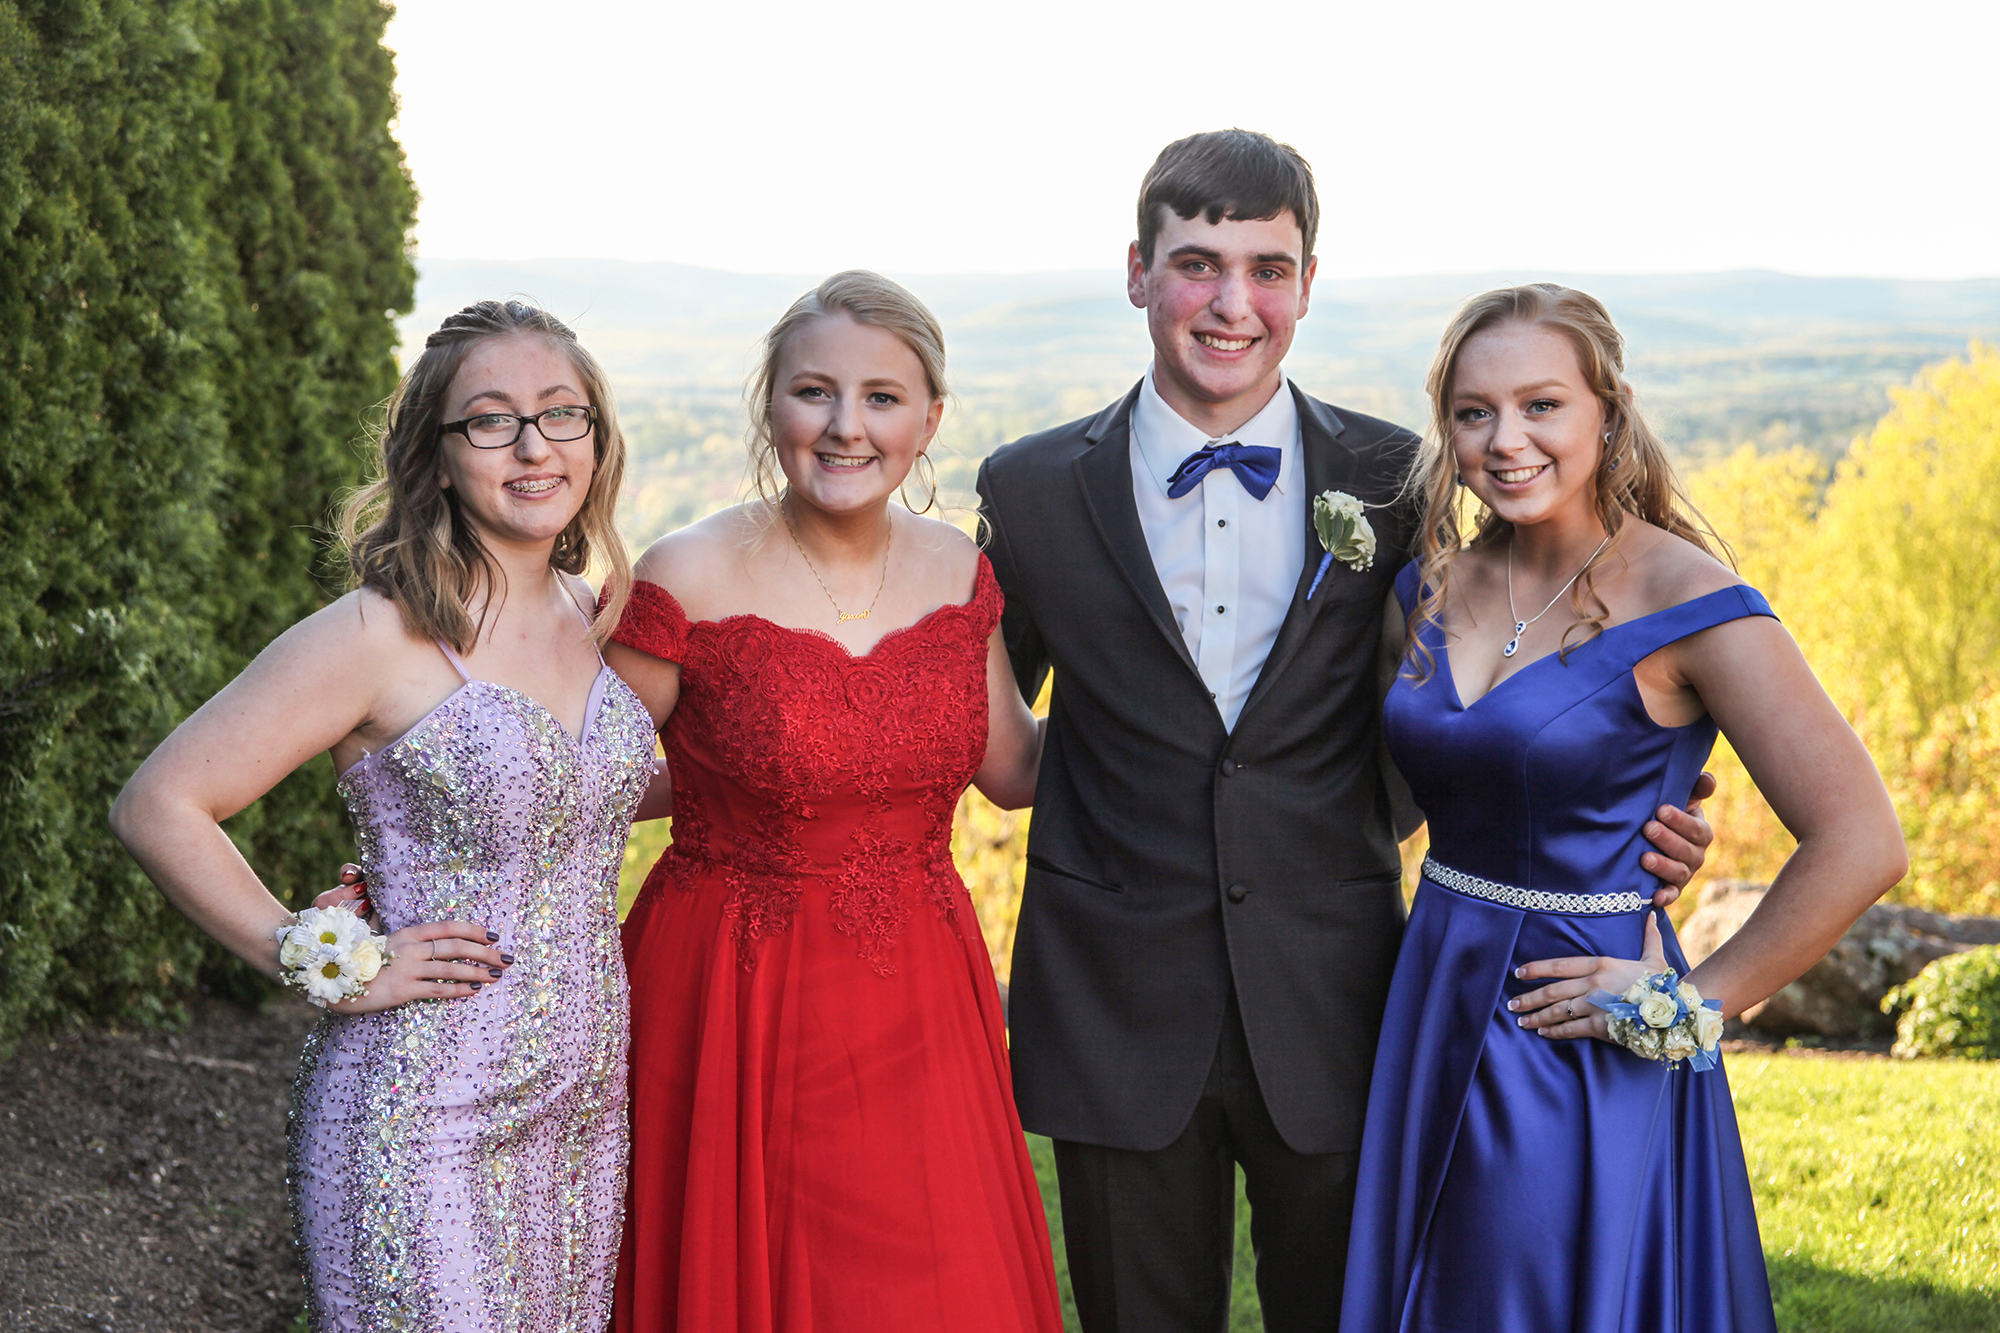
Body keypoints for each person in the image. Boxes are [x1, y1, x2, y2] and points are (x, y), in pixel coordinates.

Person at [974, 131, 1715, 1332]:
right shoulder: (1031, 487)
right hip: (1114, 1006)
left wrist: (1646, 812)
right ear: (1136, 271)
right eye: (1197, 263)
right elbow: (976, 729)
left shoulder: (1399, 476)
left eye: (1266, 268)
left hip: (1347, 1005)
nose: (1231, 302)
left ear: (1307, 284)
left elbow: (1534, 661)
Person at [1339, 283, 1908, 1332]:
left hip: (1574, 1018)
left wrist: (1690, 1001)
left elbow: (1861, 838)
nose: (1505, 440)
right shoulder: (1426, 585)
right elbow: (1411, 804)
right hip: (1432, 989)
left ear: (1608, 409)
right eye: (1473, 413)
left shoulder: (1691, 603)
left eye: (1540, 405)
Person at [111, 300, 655, 1332]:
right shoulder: (376, 633)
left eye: (560, 413)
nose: (533, 445)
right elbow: (159, 803)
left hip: (581, 1113)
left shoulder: (598, 618)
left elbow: (584, 795)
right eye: (491, 420)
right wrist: (318, 956)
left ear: (596, 437)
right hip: (419, 1110)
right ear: (438, 458)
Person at [600, 271, 1061, 1332]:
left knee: (924, 1279)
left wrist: (1160, 700)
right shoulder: (688, 573)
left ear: (929, 419)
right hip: (731, 983)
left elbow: (1012, 768)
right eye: (814, 392)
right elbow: (588, 788)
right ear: (772, 404)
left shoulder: (957, 571)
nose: (845, 426)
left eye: (881, 398)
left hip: (921, 987)